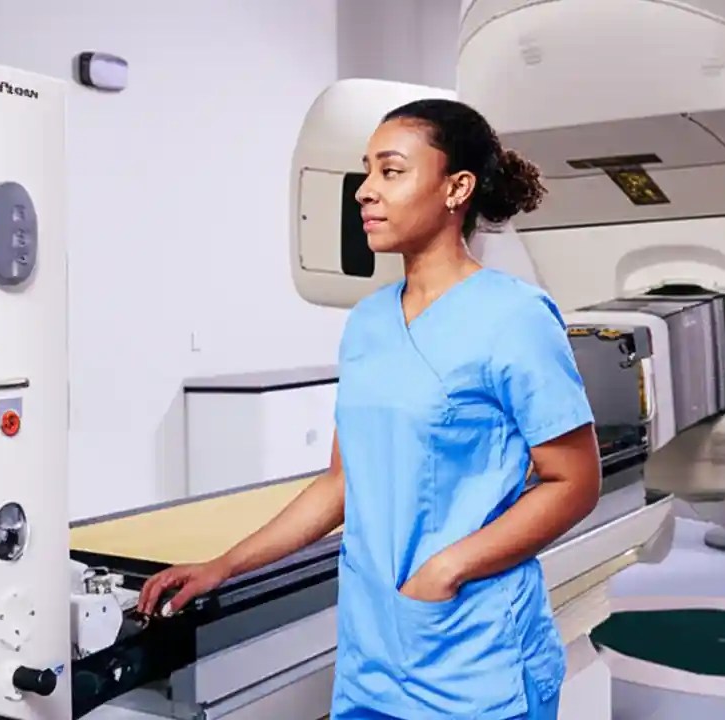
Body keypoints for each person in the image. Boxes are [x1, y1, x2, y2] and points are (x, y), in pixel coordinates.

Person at [138, 98, 601, 719]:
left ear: (455, 188)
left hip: (475, 651)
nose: (365, 191)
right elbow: (342, 481)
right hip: (372, 655)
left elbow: (574, 481)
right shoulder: (368, 323)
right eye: (366, 172)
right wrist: (224, 565)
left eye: (391, 171)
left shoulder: (514, 317)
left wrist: (447, 569)